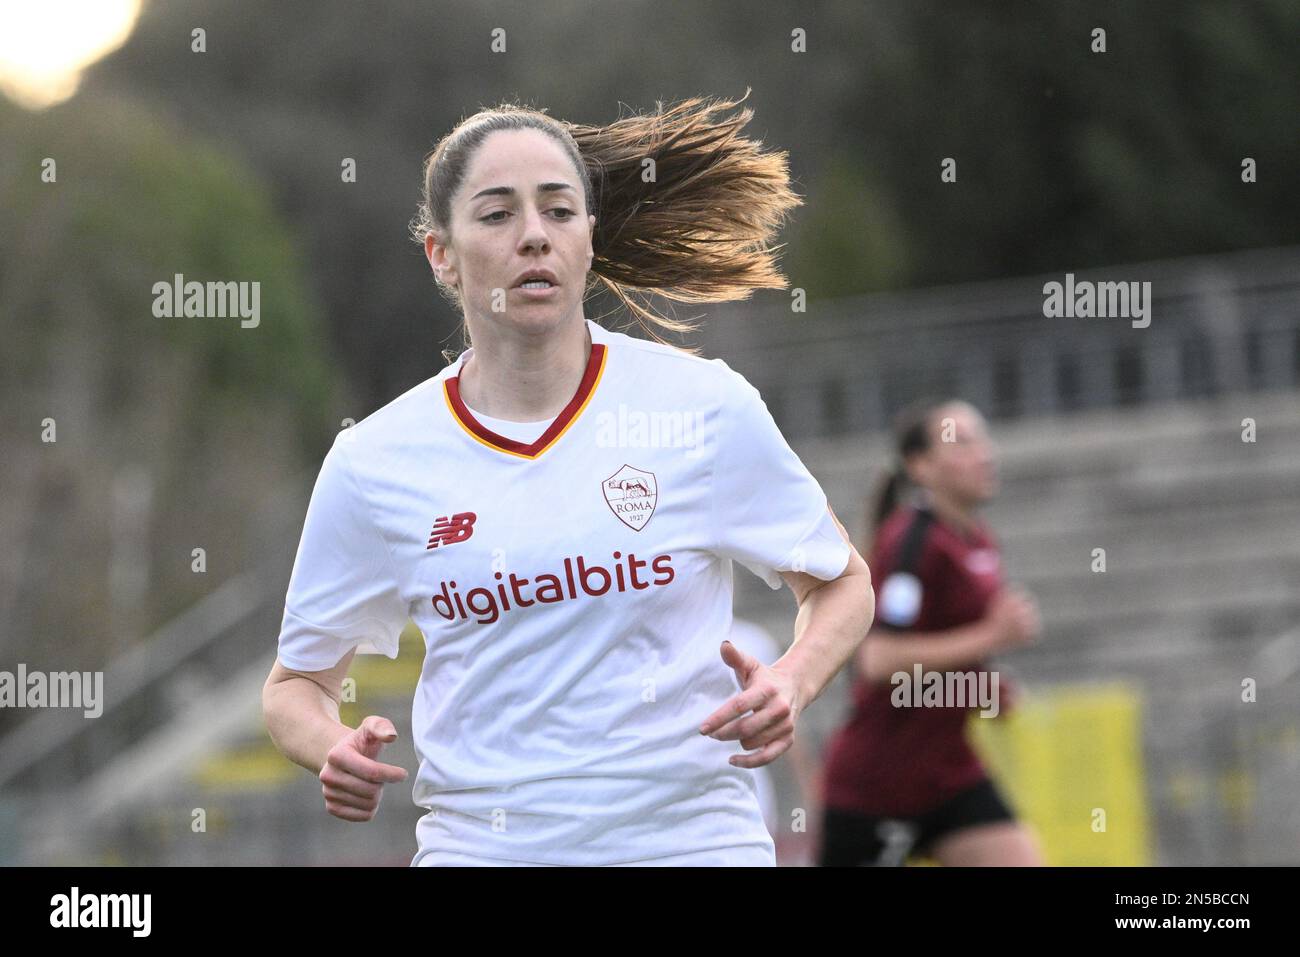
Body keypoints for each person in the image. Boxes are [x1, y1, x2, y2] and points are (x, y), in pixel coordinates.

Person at [261, 91, 875, 867]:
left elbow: (842, 584)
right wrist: (330, 746)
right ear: (440, 254)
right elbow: (294, 687)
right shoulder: (374, 461)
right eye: (496, 215)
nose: (533, 237)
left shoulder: (701, 405)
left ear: (589, 236)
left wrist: (790, 680)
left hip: (690, 847)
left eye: (558, 211)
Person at [817, 397, 1045, 866]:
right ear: (920, 466)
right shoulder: (912, 540)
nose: (984, 453)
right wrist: (992, 636)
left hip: (948, 775)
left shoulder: (978, 538)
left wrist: (979, 687)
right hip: (877, 784)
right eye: (960, 442)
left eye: (982, 437)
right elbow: (878, 660)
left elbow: (935, 662)